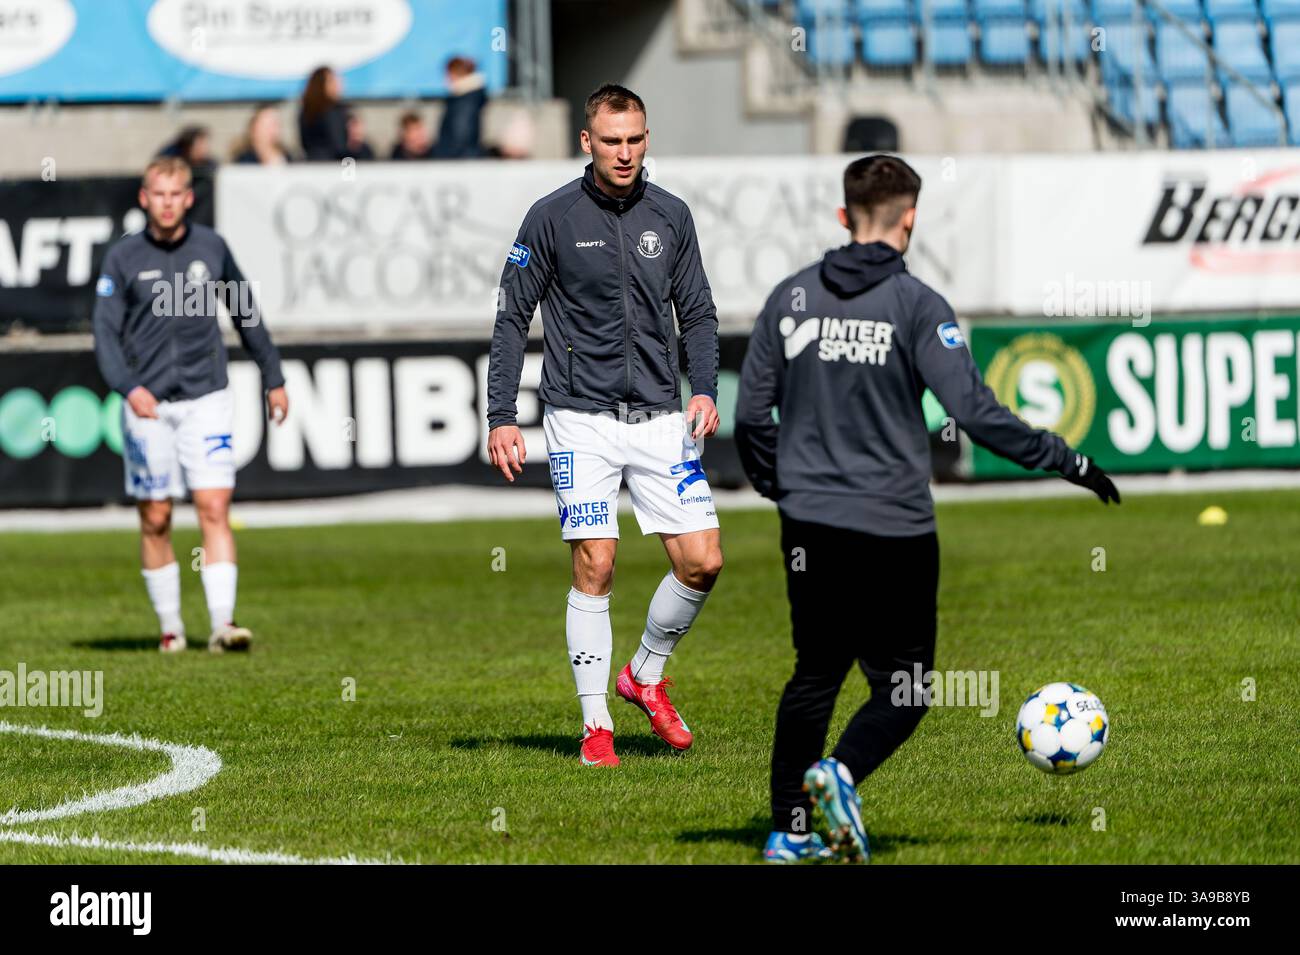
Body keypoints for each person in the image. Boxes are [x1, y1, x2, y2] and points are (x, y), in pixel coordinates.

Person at [735, 155, 1121, 863]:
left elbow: (750, 415)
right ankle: (840, 773)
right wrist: (1066, 458)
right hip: (893, 526)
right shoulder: (917, 307)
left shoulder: (790, 297)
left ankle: (789, 832)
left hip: (810, 525)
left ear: (843, 215)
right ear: (909, 218)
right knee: (905, 688)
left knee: (815, 673)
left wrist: (782, 487)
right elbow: (974, 414)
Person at [486, 84, 723, 767]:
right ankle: (597, 728)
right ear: (586, 142)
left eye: (636, 139)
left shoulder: (671, 216)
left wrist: (702, 389)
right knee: (598, 560)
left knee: (703, 561)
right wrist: (502, 414)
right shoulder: (550, 216)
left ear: (648, 140)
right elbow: (511, 316)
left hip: (660, 418)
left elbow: (700, 313)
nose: (625, 152)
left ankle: (644, 674)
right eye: (612, 140)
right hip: (578, 418)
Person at [92, 157, 289, 654]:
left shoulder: (211, 247)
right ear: (144, 198)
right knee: (156, 516)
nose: (167, 202)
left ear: (189, 198)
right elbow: (105, 333)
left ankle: (223, 625)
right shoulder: (123, 258)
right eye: (158, 194)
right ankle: (171, 627)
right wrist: (127, 386)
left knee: (213, 505)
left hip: (207, 397)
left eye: (176, 193)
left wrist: (273, 376)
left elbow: (245, 312)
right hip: (149, 405)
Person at [432, 56, 486, 159]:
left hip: (459, 160)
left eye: (448, 75)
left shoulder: (464, 100)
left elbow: (461, 134)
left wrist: (447, 156)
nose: (446, 79)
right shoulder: (468, 98)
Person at [298, 66, 350, 161]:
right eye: (333, 81)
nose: (338, 85)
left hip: (313, 163)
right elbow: (339, 146)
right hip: (332, 165)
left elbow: (304, 143)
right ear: (321, 85)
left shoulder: (305, 110)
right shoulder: (333, 111)